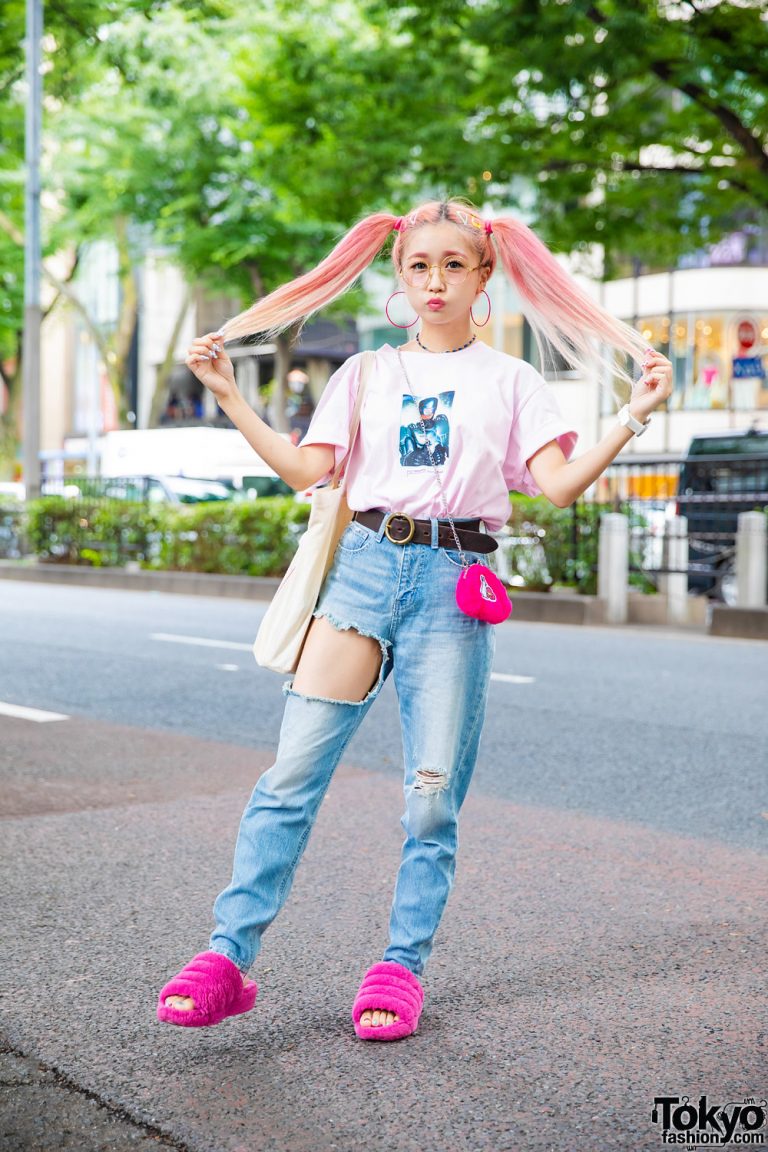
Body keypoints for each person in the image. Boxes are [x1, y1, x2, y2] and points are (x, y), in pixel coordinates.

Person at [156, 198, 672, 1041]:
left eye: (452, 265)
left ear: (483, 275)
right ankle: (227, 958)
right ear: (400, 277)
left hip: (452, 585)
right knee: (290, 777)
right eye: (419, 266)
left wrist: (634, 411)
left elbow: (561, 483)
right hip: (360, 574)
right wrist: (227, 395)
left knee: (431, 799)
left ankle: (400, 966)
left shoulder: (513, 382)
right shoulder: (364, 374)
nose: (435, 281)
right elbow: (306, 470)